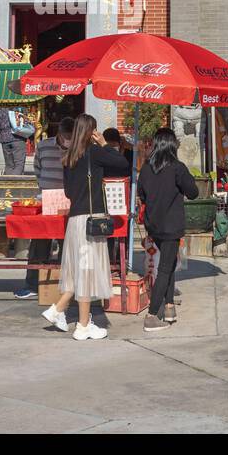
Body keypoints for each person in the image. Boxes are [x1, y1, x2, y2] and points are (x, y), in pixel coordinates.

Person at [41, 114, 129, 340]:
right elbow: (123, 165)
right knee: (87, 271)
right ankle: (82, 325)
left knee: (78, 270)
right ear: (92, 132)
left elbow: (69, 193)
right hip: (91, 222)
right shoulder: (96, 153)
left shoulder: (69, 157)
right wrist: (105, 144)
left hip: (75, 222)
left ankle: (58, 310)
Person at [135, 127, 198, 332]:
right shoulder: (177, 168)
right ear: (172, 146)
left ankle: (169, 307)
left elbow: (142, 195)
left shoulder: (145, 168)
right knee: (164, 269)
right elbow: (194, 192)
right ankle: (152, 315)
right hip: (171, 225)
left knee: (168, 264)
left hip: (153, 224)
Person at [14, 116, 73, 300]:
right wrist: (45, 187)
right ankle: (32, 284)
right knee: (39, 242)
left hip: (68, 203)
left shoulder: (79, 147)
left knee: (67, 245)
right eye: (66, 137)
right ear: (60, 134)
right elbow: (38, 168)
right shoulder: (44, 145)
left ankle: (66, 285)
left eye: (72, 136)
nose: (69, 140)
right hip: (46, 199)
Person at [0, 107, 28, 175]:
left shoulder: (0, 109)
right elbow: (26, 122)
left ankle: (8, 183)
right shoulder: (21, 107)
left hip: (5, 141)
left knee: (9, 165)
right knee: (18, 165)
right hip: (18, 139)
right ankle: (15, 183)